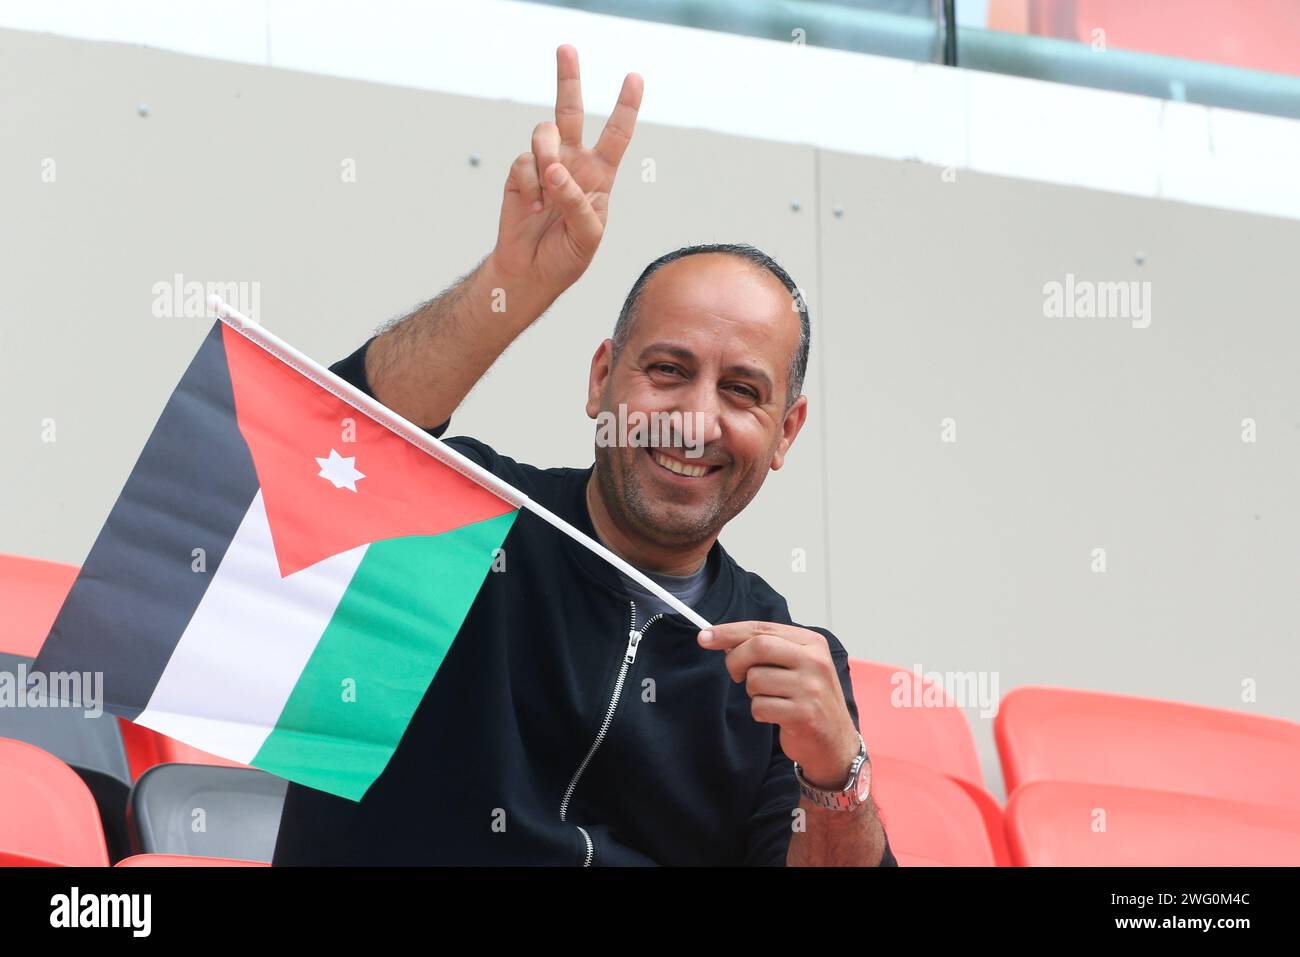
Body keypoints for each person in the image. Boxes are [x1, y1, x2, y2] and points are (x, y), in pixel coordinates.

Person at [272, 44, 896, 867]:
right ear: (603, 378)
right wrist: (511, 283)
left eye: (742, 391)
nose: (695, 418)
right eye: (668, 370)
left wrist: (834, 774)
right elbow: (320, 452)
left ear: (786, 433)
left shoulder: (782, 658)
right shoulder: (464, 515)